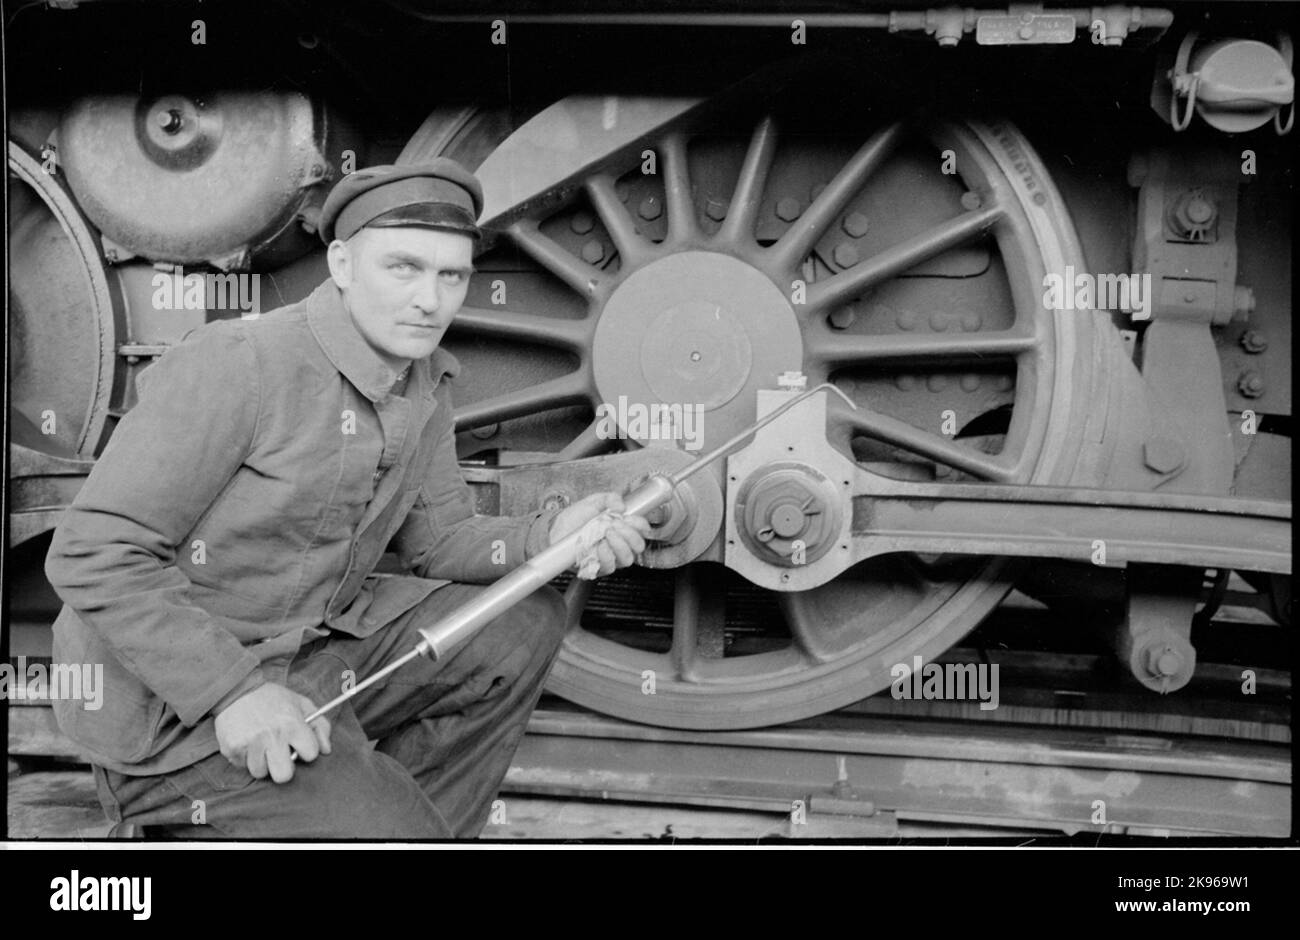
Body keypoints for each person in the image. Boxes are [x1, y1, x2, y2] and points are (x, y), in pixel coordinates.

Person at [44, 160, 650, 839]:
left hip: (306, 662)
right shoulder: (238, 363)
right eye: (403, 268)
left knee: (518, 624)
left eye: (452, 276)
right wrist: (233, 693)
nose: (431, 300)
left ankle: (404, 829)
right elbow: (93, 551)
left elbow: (440, 542)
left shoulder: (423, 382)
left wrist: (552, 534)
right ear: (339, 263)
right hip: (174, 712)